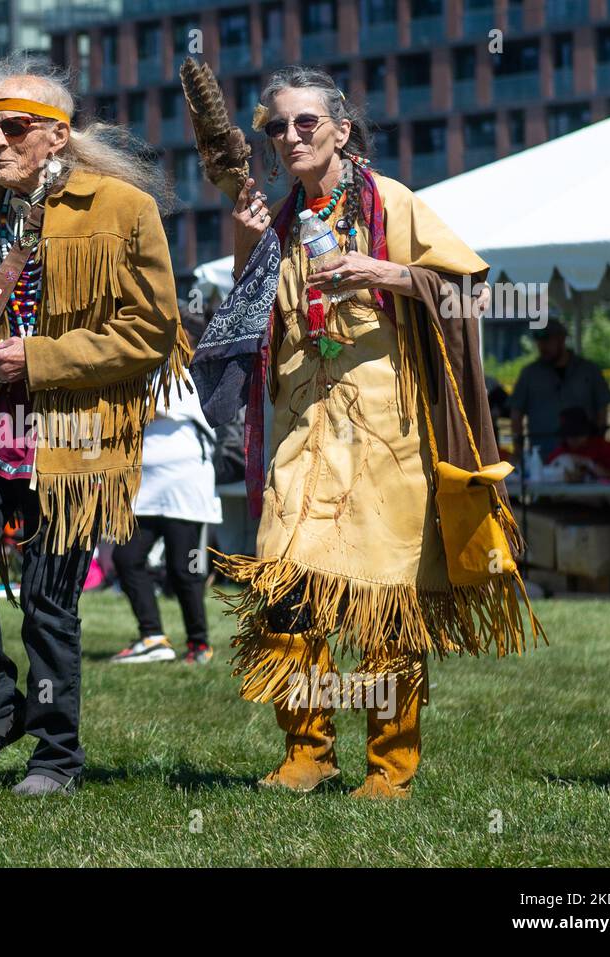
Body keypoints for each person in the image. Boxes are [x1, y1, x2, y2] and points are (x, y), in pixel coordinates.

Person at [213, 66, 541, 799]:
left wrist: (384, 271)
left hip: (388, 441)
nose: (288, 136)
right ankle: (308, 751)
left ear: (340, 128)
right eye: (275, 126)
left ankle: (391, 766)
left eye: (304, 123)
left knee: (385, 605)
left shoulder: (390, 203)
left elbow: (469, 289)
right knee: (285, 592)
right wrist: (245, 242)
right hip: (303, 436)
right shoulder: (276, 216)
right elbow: (244, 321)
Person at [0, 55, 189, 795]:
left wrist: (37, 357)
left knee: (48, 599)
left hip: (79, 428)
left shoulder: (123, 209)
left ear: (57, 137)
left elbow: (152, 330)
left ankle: (56, 755)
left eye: (15, 128)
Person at [110, 312, 222, 665]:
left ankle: (199, 644)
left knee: (183, 567)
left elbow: (141, 408)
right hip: (145, 486)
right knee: (126, 558)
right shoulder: (148, 369)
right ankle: (153, 636)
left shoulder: (195, 374)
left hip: (183, 485)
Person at [510, 317, 610, 462]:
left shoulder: (588, 370)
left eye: (547, 341)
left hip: (585, 456)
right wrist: (518, 450)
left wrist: (598, 445)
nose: (542, 346)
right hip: (543, 456)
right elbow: (516, 413)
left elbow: (602, 411)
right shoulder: (529, 374)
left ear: (562, 339)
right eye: (539, 342)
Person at [544, 406, 610, 479]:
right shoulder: (558, 453)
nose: (574, 438)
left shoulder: (606, 449)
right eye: (570, 434)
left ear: (587, 432)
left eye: (578, 433)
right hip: (565, 494)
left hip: (602, 494)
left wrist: (588, 463)